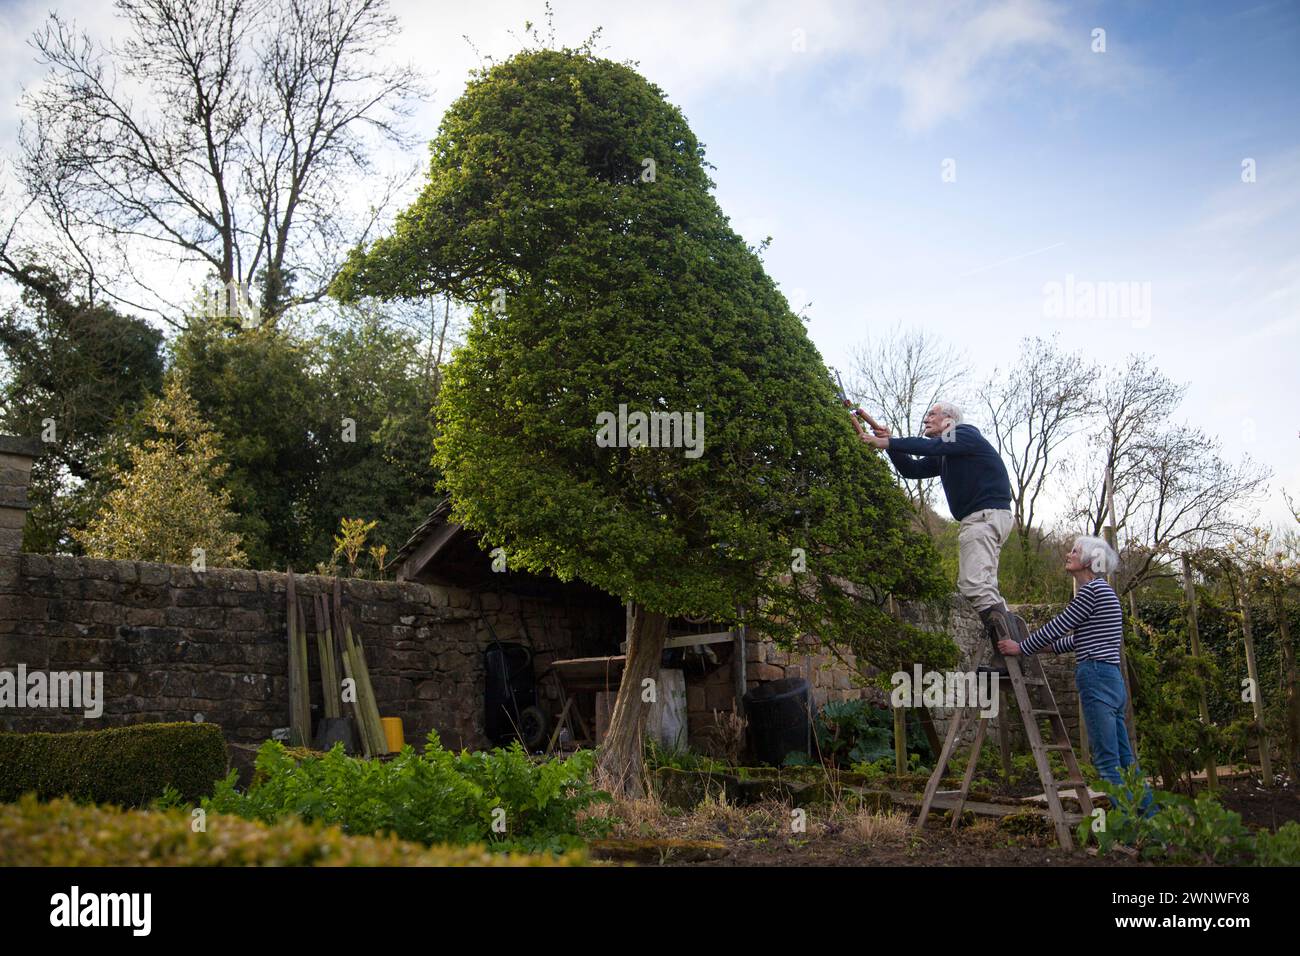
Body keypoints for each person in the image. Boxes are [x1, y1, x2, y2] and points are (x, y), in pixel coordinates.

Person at [997, 535, 1154, 814]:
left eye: (1074, 551)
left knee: (1106, 762)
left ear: (1089, 561)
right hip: (1111, 679)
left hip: (1095, 676)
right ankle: (1151, 824)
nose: (1068, 554)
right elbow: (1078, 640)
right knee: (1125, 760)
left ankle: (1131, 825)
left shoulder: (1091, 591)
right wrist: (1045, 649)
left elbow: (1061, 624)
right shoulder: (1106, 593)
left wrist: (1021, 647)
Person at [856, 401, 1014, 638]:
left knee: (974, 585)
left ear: (949, 420)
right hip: (987, 518)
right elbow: (912, 470)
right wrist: (892, 446)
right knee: (986, 588)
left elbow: (931, 447)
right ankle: (1010, 645)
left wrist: (888, 441)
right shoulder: (947, 453)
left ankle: (1010, 644)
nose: (926, 419)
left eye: (932, 414)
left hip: (983, 518)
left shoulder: (964, 434)